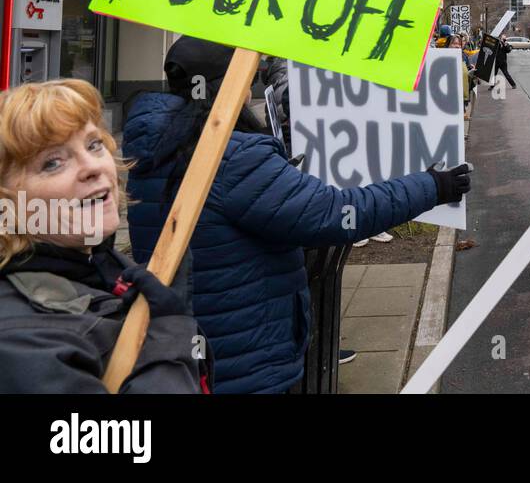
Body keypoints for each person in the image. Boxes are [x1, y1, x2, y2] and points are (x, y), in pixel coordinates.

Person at [124, 37, 470, 393]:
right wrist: (431, 186)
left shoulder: (149, 147)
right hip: (245, 356)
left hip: (182, 348)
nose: (252, 86)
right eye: (249, 77)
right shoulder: (235, 159)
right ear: (229, 83)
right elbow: (337, 214)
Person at [0, 79, 208, 393]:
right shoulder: (17, 339)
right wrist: (171, 330)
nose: (93, 167)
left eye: (94, 144)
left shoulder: (102, 265)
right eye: (53, 163)